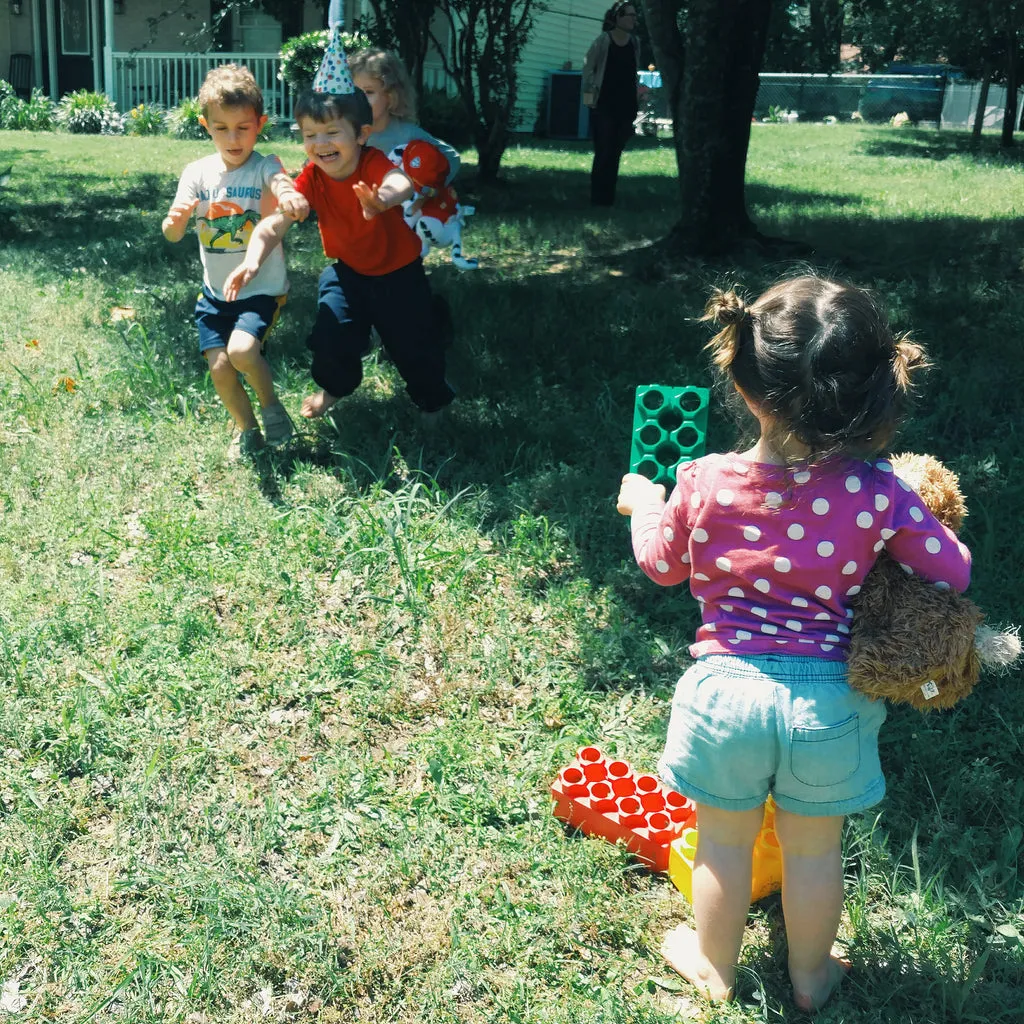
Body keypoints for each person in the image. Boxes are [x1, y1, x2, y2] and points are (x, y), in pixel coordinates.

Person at [616, 276, 972, 1010]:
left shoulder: (704, 480)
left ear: (745, 387)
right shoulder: (878, 492)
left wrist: (644, 504)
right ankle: (811, 975)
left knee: (722, 844)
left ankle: (714, 967)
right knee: (815, 851)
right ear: (870, 397)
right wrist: (901, 530)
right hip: (827, 703)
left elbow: (660, 566)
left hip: (724, 695)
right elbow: (954, 571)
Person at [222, 87, 454, 420]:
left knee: (414, 346)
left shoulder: (372, 163)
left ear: (362, 135)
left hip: (400, 274)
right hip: (348, 273)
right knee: (331, 338)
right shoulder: (311, 179)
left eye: (332, 132)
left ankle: (433, 402)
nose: (321, 143)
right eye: (310, 134)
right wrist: (252, 261)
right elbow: (272, 227)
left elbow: (400, 181)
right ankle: (334, 388)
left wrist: (383, 200)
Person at [162, 64, 307, 458]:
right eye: (221, 127)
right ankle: (247, 430)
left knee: (243, 352)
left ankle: (272, 407)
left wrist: (289, 195)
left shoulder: (264, 165)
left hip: (261, 290)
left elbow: (280, 182)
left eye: (243, 127)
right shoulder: (196, 173)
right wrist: (174, 222)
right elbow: (173, 233)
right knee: (221, 370)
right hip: (214, 296)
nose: (232, 137)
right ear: (204, 124)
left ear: (259, 124)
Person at [348, 48, 461, 184]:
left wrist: (428, 189)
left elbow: (452, 157)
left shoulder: (407, 133)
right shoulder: (349, 132)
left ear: (391, 95)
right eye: (354, 91)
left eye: (369, 92)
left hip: (401, 203)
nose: (360, 99)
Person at [582, 2, 641, 206]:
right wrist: (590, 100)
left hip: (626, 107)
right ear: (618, 18)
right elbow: (588, 70)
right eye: (630, 15)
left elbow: (634, 74)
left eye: (635, 16)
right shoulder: (603, 41)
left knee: (615, 151)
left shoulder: (635, 43)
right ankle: (597, 198)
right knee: (604, 150)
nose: (634, 19)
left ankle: (609, 199)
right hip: (604, 105)